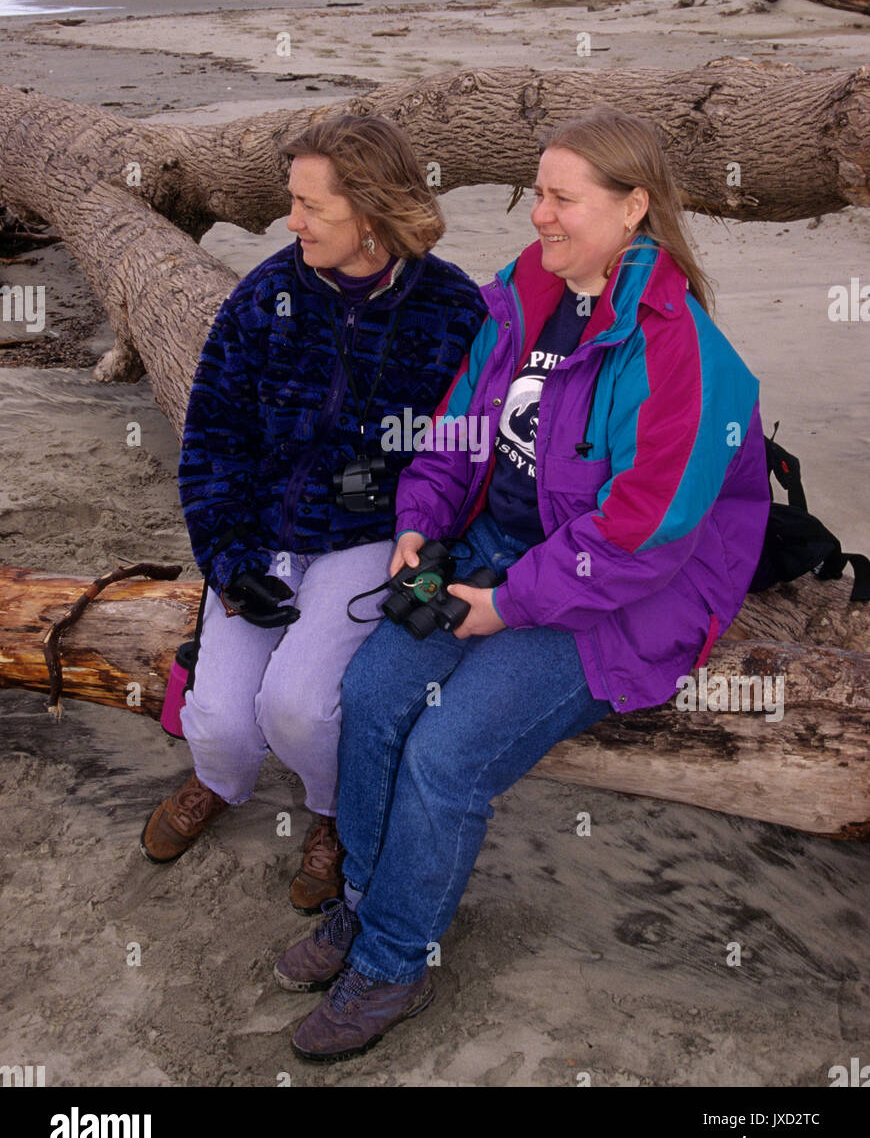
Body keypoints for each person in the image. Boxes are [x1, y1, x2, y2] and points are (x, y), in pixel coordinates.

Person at [273, 105, 772, 1057]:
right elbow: (462, 427)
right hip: (499, 545)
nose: (538, 215)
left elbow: (641, 540)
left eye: (561, 198)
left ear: (634, 209)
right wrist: (420, 520)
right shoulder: (525, 294)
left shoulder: (685, 358)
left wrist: (505, 606)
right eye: (536, 192)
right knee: (373, 694)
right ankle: (369, 906)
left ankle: (392, 963)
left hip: (620, 599)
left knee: (446, 753)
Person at [140, 114, 486, 914]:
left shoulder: (452, 310)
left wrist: (427, 541)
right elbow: (212, 439)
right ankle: (217, 782)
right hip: (258, 537)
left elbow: (466, 448)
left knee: (297, 708)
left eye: (309, 206)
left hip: (367, 541)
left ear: (369, 211)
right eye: (289, 202)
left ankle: (331, 818)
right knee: (223, 720)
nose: (289, 222)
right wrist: (227, 565)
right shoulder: (265, 296)